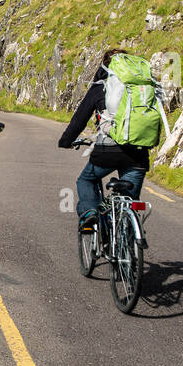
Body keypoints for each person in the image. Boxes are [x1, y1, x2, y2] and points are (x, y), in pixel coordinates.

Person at [57, 49, 156, 233]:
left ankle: (90, 212)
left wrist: (65, 141)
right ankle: (129, 248)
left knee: (85, 181)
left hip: (107, 152)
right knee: (129, 203)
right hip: (138, 154)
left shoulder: (100, 87)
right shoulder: (141, 89)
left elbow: (79, 120)